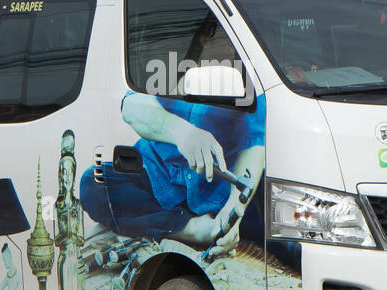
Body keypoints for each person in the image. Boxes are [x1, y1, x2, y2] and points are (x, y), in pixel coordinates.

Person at [81, 91, 266, 260]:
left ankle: (204, 227)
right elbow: (130, 106)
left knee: (285, 232)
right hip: (157, 174)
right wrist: (182, 132)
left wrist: (232, 211)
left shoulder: (247, 72)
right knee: (94, 185)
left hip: (216, 195)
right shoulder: (166, 59)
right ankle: (190, 230)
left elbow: (253, 144)